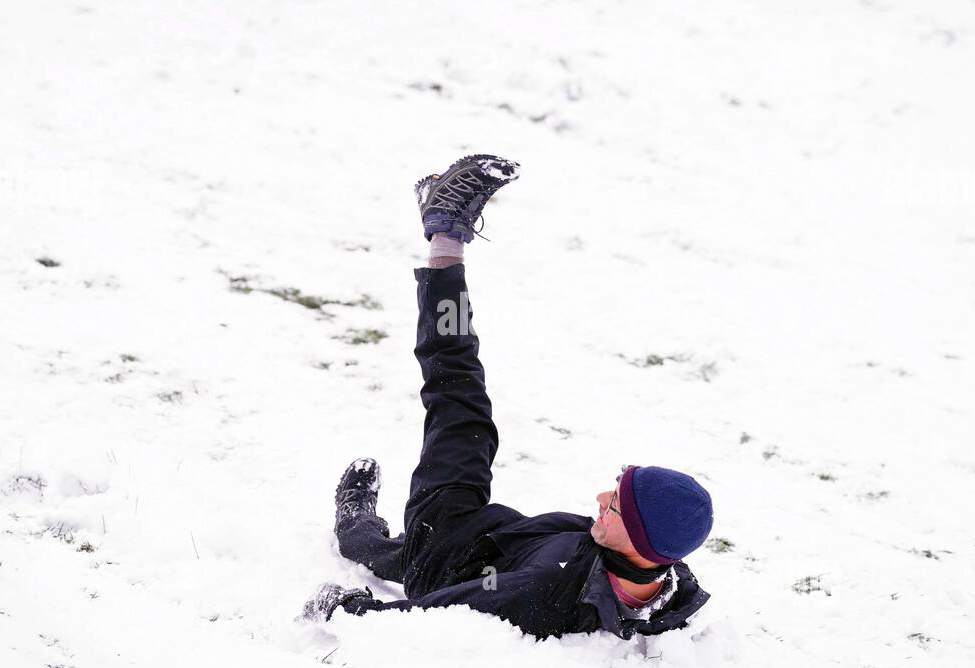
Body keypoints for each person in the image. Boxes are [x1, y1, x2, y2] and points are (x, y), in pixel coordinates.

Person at [301, 154, 714, 639]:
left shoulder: (532, 593)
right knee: (391, 549)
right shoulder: (663, 575)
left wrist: (344, 609)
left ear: (640, 540)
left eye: (616, 506)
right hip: (500, 541)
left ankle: (445, 235)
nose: (602, 498)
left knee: (458, 392)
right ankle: (363, 531)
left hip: (450, 548)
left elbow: (436, 613)